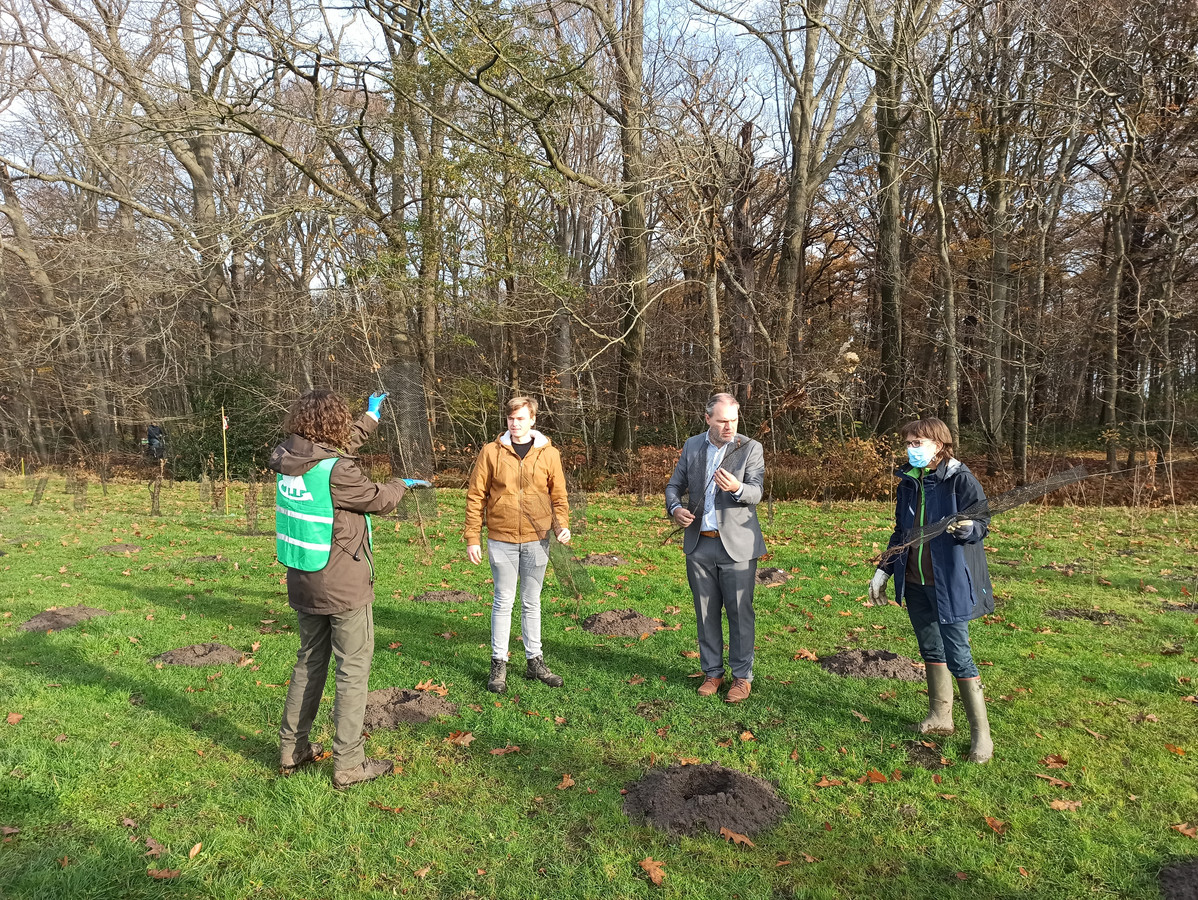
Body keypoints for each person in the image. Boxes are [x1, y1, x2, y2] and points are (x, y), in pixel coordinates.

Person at [269, 389, 414, 788]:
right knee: (352, 668)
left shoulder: (288, 457)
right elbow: (378, 500)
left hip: (303, 577)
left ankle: (292, 748)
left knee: (309, 661)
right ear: (332, 423)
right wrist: (401, 484)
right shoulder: (337, 472)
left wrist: (370, 420)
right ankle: (349, 763)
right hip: (342, 582)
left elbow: (329, 455)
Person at [867, 417, 995, 763]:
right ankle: (941, 716)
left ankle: (981, 735)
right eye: (908, 443)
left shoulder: (961, 480)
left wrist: (969, 529)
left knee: (959, 654)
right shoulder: (908, 483)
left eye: (918, 443)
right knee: (930, 648)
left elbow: (982, 524)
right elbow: (901, 532)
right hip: (914, 580)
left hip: (949, 582)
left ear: (939, 445)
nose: (911, 450)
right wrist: (884, 568)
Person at [464, 396, 570, 694]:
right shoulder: (490, 452)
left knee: (531, 601)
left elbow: (558, 496)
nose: (515, 423)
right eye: (511, 418)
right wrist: (473, 536)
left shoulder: (549, 454)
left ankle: (534, 660)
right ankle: (499, 663)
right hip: (501, 539)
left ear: (533, 420)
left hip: (538, 539)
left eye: (521, 418)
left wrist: (561, 525)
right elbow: (476, 496)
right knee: (503, 601)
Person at [664, 393, 765, 704]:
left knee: (739, 613)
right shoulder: (693, 445)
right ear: (707, 418)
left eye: (733, 421)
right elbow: (673, 486)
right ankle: (712, 672)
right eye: (722, 421)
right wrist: (675, 509)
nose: (728, 427)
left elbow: (757, 491)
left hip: (737, 548)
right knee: (706, 612)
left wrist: (737, 488)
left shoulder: (750, 447)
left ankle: (741, 677)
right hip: (699, 544)